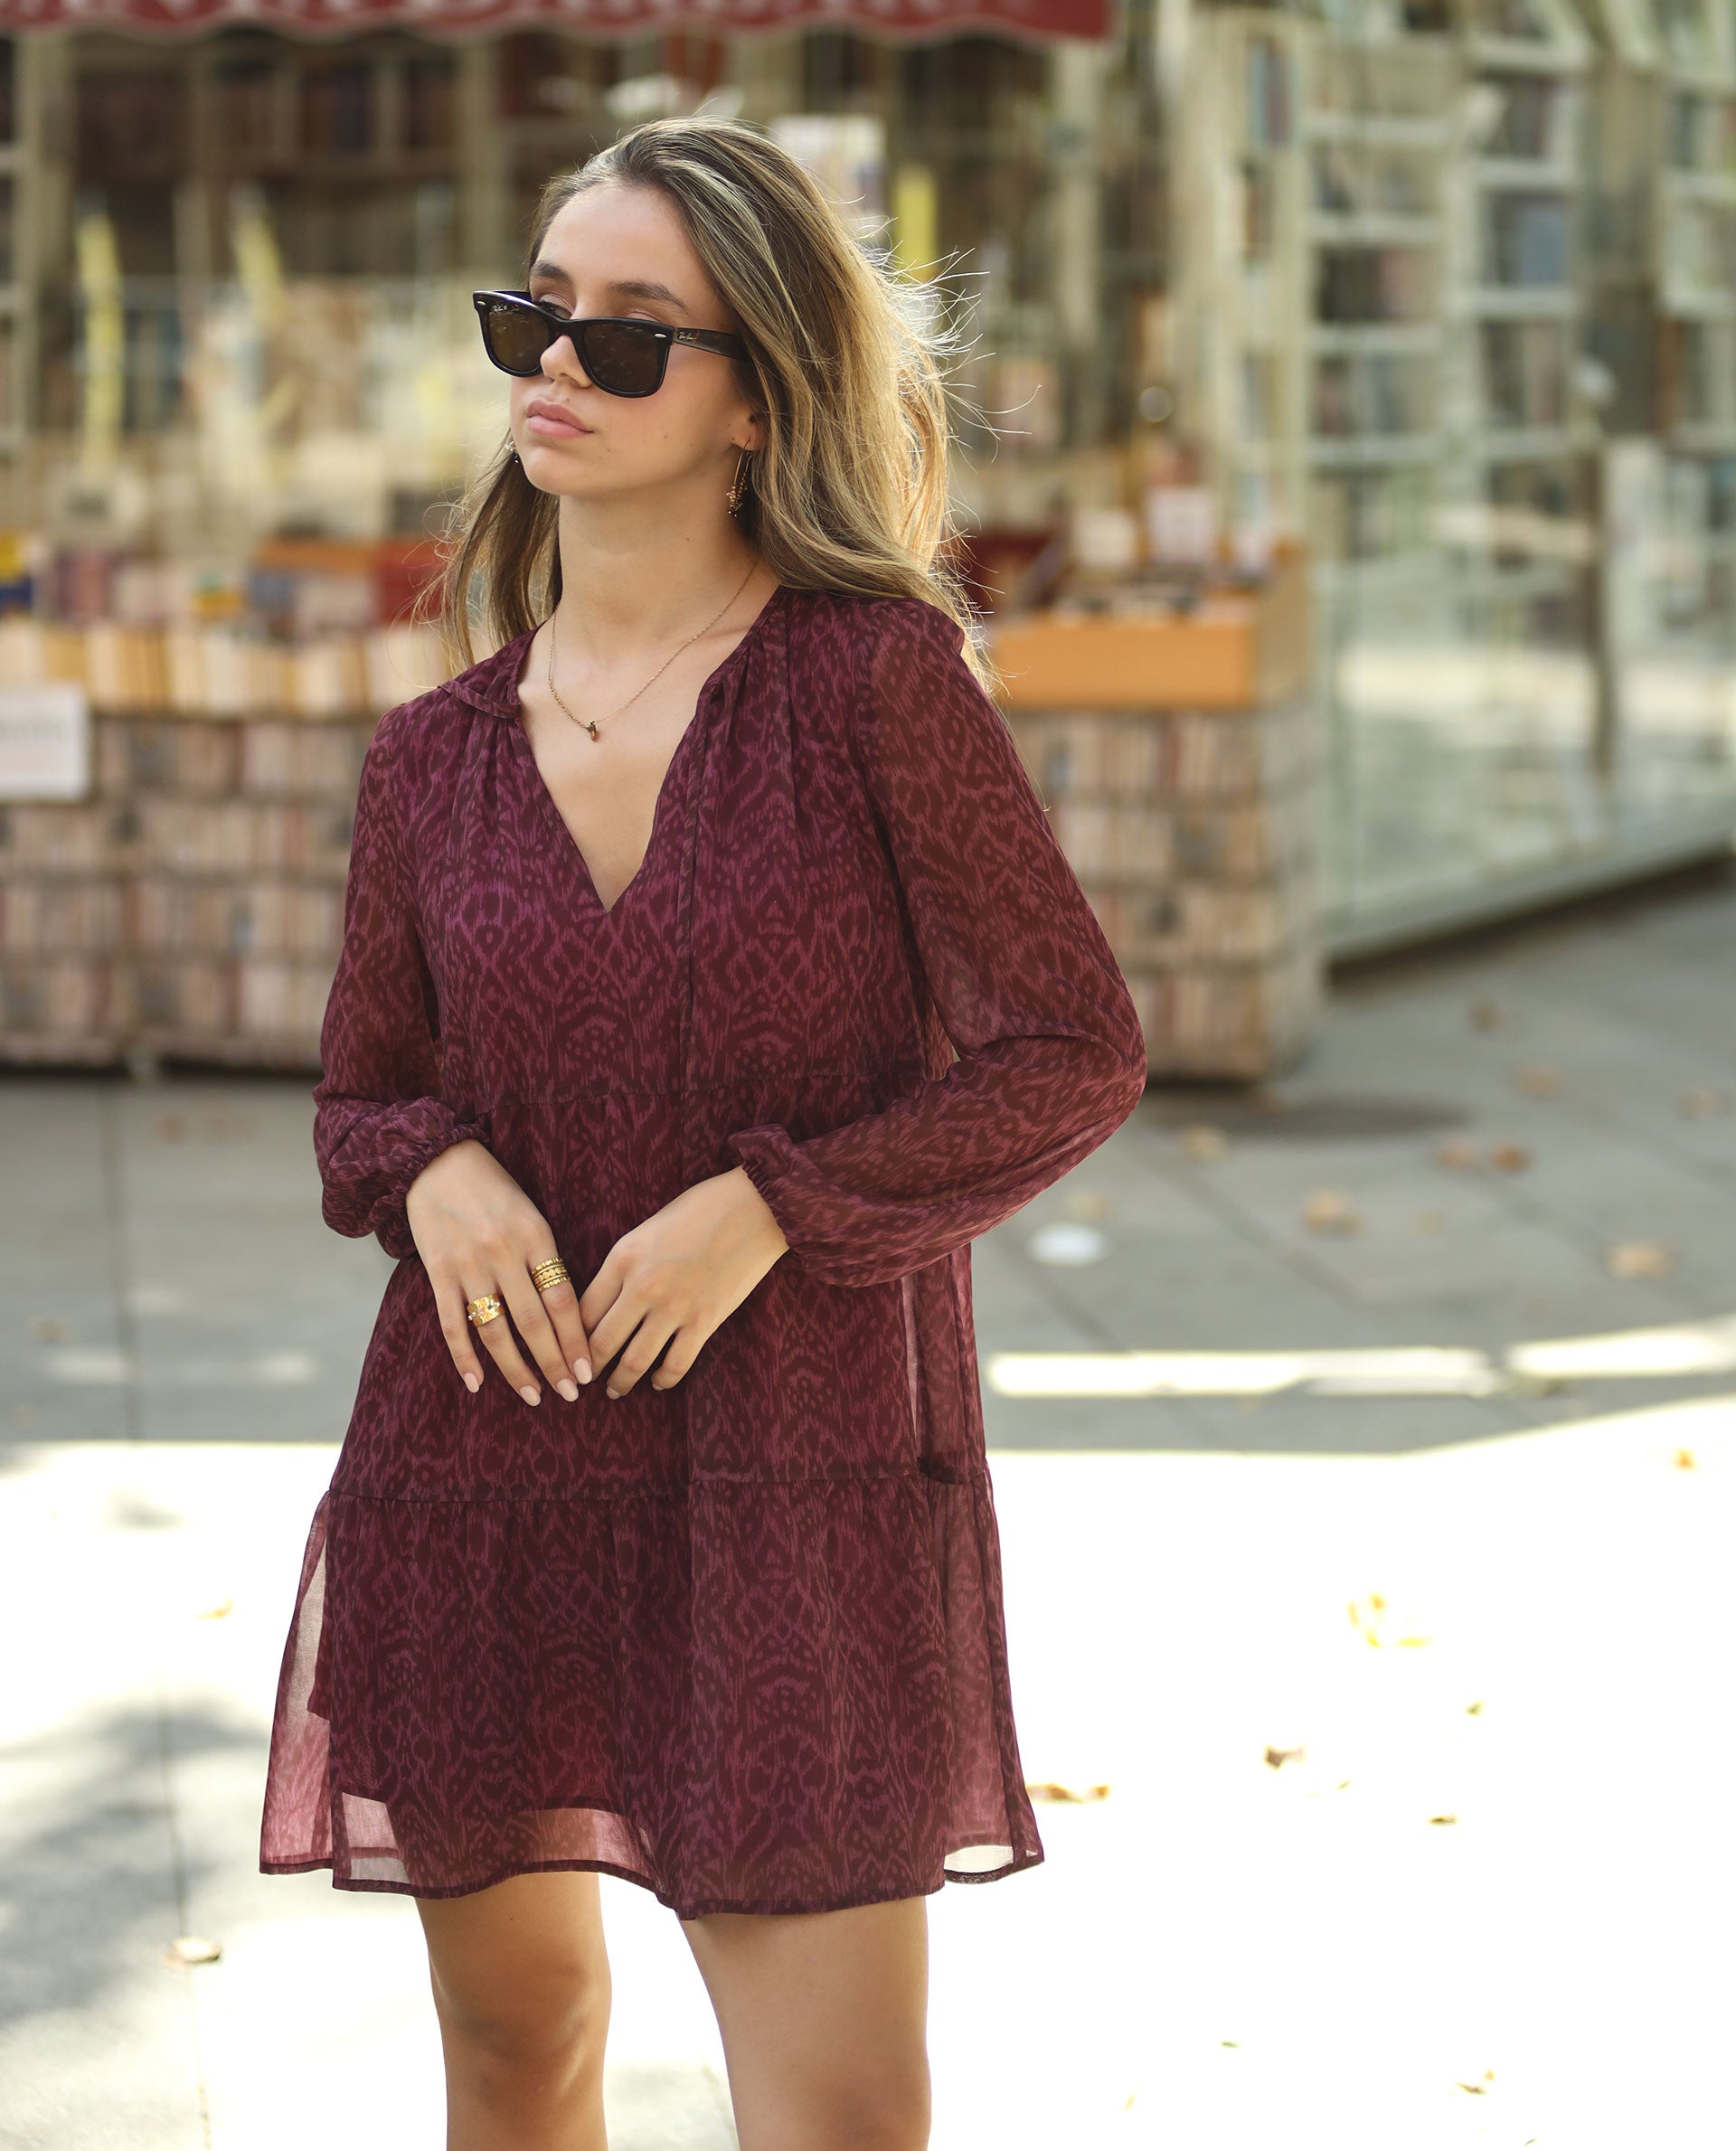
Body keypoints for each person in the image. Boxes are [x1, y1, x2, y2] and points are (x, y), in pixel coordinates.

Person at [259, 113, 1148, 2151]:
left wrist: (775, 1206)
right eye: (537, 314)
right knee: (515, 2053)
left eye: (631, 330)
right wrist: (432, 1169)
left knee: (836, 2112)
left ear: (759, 397)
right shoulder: (430, 760)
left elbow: (1070, 1048)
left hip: (795, 1480)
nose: (558, 364)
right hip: (482, 1460)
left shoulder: (877, 688)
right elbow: (360, 1096)